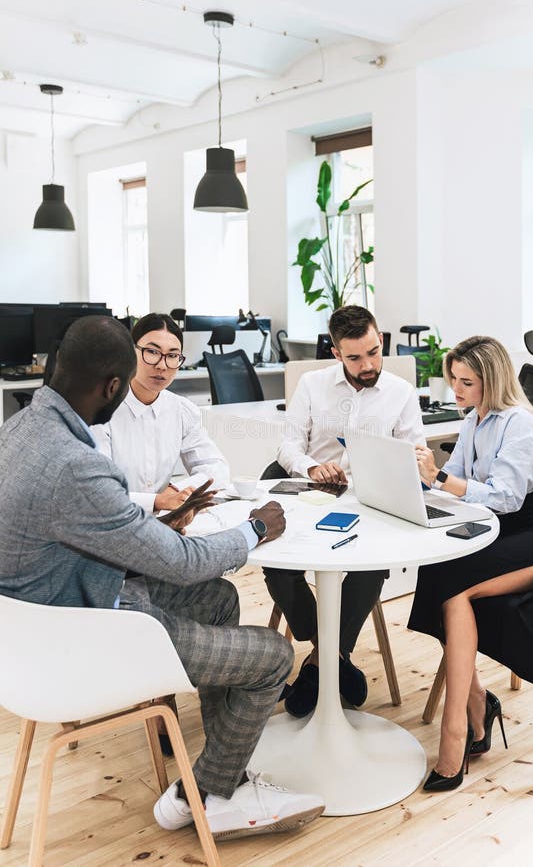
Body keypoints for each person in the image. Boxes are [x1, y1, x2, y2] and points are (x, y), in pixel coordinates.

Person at [0, 315, 324, 839]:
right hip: (83, 633)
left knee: (218, 598)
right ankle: (208, 796)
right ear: (113, 385)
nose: (158, 368)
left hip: (34, 627)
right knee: (274, 656)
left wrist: (144, 528)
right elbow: (179, 561)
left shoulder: (18, 430)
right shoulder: (75, 463)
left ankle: (227, 773)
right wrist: (254, 530)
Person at [408, 335, 533, 792]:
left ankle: (458, 735)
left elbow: (505, 497)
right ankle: (477, 708)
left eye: (467, 382)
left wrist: (441, 480)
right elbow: (463, 486)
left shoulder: (521, 423)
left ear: (493, 380)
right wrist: (418, 484)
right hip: (502, 527)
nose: (457, 390)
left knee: (451, 586)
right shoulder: (473, 421)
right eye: (454, 380)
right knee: (439, 569)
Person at [271, 305, 425, 718]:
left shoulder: (400, 393)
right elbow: (287, 447)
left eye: (375, 352)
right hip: (312, 494)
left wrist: (415, 462)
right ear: (336, 352)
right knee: (278, 564)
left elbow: (414, 453)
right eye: (355, 357)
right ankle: (331, 651)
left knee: (371, 565)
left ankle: (322, 658)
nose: (368, 364)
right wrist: (311, 466)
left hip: (371, 500)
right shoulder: (311, 385)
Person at [92, 312, 229, 512]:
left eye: (173, 356)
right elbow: (98, 491)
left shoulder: (182, 410)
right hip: (110, 525)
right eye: (152, 352)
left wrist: (176, 490)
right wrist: (157, 502)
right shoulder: (100, 411)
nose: (162, 365)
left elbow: (217, 469)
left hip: (163, 523)